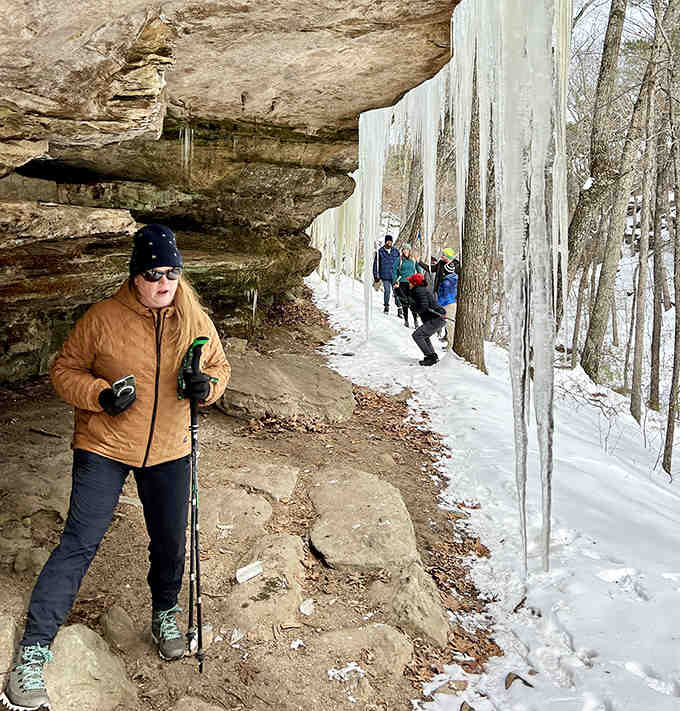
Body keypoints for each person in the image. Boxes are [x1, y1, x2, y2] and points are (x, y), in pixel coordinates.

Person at [1, 224, 231, 711]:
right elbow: (64, 371)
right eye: (153, 273)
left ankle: (165, 610)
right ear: (135, 276)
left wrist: (205, 389)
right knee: (80, 542)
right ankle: (36, 647)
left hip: (169, 448)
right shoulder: (102, 318)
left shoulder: (193, 319)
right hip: (104, 444)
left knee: (171, 538)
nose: (163, 282)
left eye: (172, 272)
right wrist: (101, 396)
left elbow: (219, 368)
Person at [406, 272, 446, 366]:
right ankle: (433, 356)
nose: (409, 284)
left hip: (436, 318)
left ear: (415, 283)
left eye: (410, 282)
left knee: (417, 335)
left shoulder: (419, 290)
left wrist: (414, 308)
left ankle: (430, 357)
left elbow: (424, 306)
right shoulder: (419, 290)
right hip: (436, 319)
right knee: (424, 336)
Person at [392, 245, 422, 328]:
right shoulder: (400, 259)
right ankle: (406, 320)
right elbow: (394, 270)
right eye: (404, 250)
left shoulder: (413, 259)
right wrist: (395, 281)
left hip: (412, 283)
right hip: (402, 283)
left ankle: (415, 320)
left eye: (407, 250)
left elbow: (419, 269)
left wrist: (420, 279)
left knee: (413, 302)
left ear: (409, 250)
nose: (405, 251)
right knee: (404, 302)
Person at [372, 235, 400, 314]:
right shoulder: (380, 251)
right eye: (388, 241)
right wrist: (375, 275)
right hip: (385, 276)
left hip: (394, 276)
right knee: (387, 291)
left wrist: (400, 274)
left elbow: (399, 264)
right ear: (385, 242)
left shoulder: (396, 251)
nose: (389, 242)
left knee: (397, 292)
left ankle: (399, 308)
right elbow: (376, 264)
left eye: (390, 241)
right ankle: (386, 306)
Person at [437, 258, 460, 351]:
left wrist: (440, 303)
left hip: (447, 304)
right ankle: (450, 344)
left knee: (449, 325)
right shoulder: (455, 278)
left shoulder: (446, 282)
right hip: (452, 303)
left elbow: (445, 295)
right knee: (450, 325)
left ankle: (450, 346)